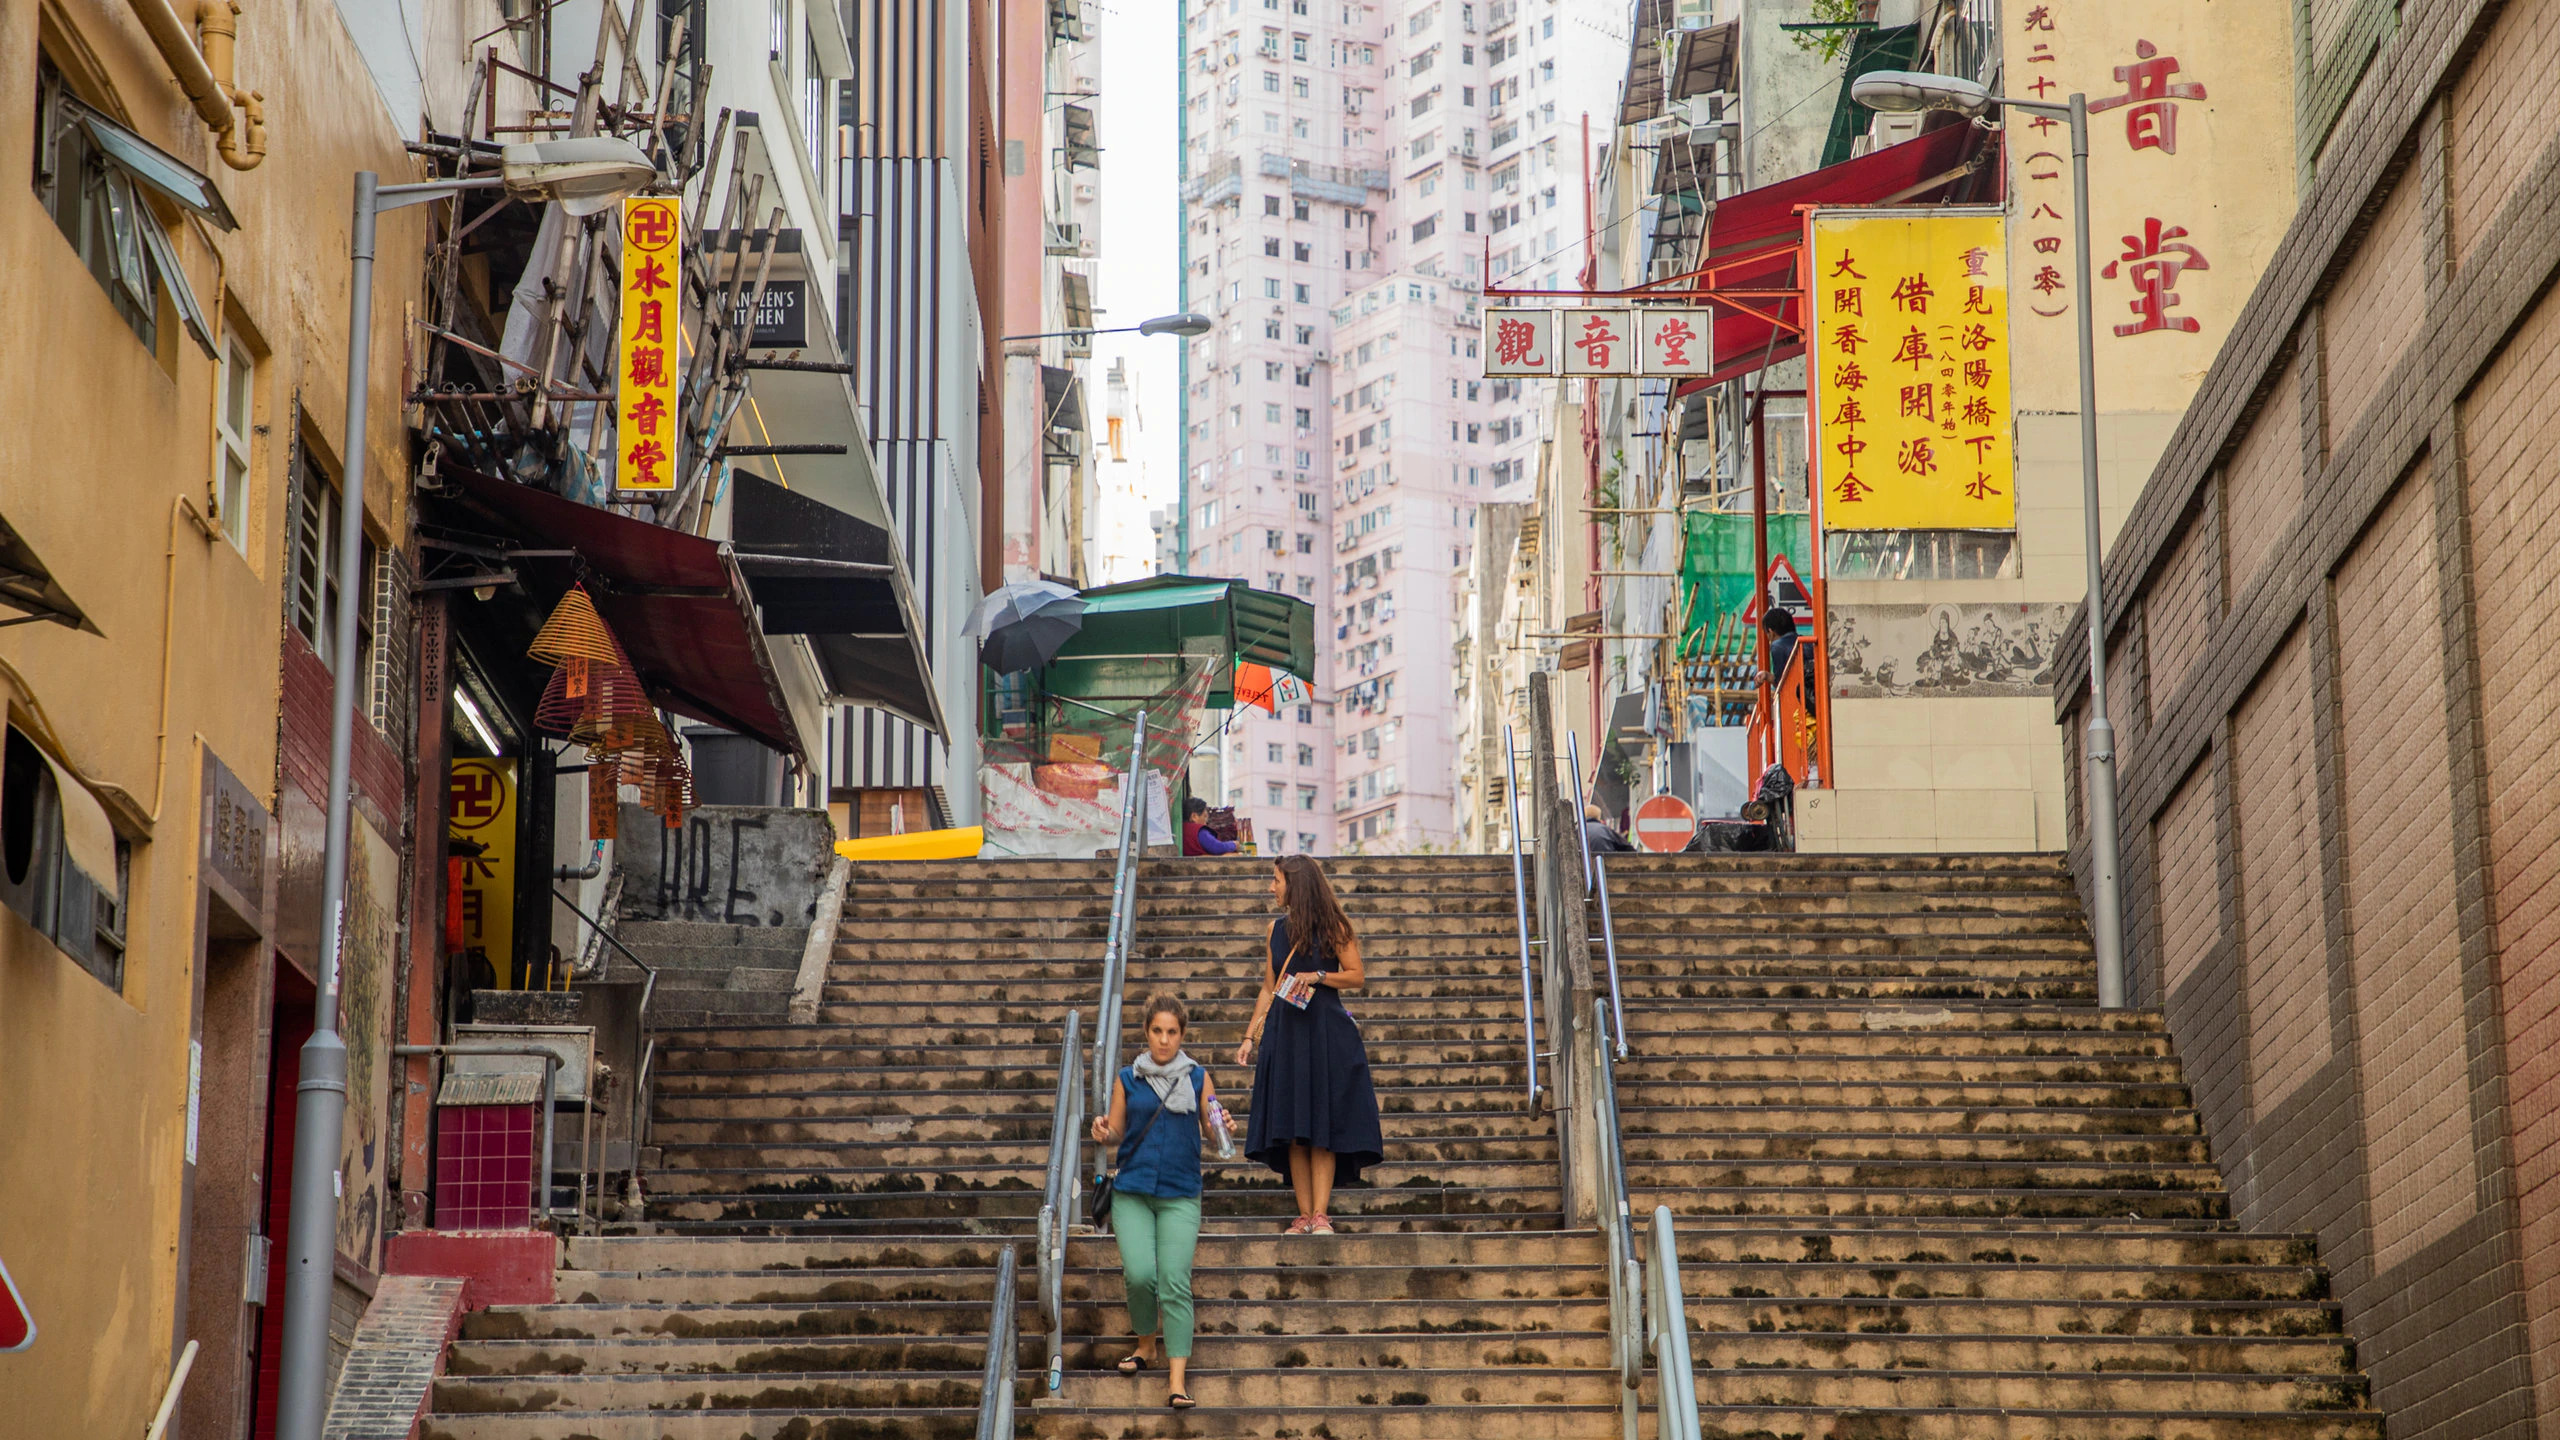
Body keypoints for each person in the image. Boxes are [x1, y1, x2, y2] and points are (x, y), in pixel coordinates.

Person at [1089, 993, 1235, 1410]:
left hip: (1180, 1193)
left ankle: (1176, 1380)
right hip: (1133, 1191)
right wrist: (1102, 1129)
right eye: (1157, 1031)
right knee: (1139, 1275)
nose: (1164, 1040)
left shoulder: (1197, 1077)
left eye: (1172, 1032)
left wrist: (1222, 1123)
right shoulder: (1127, 1078)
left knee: (1173, 1279)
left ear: (1182, 1034)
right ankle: (1145, 1344)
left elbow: (1212, 1131)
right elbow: (1116, 1132)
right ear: (1147, 1032)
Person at [1238, 855, 1383, 1235]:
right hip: (1286, 1035)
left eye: (1277, 880)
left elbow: (1356, 977)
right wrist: (1250, 1037)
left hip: (1325, 1036)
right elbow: (1269, 987)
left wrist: (1319, 975)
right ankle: (1303, 1215)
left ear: (1295, 885)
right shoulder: (1276, 929)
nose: (1272, 887)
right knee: (1292, 1129)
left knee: (1322, 1128)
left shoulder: (1334, 926)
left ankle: (1321, 1214)